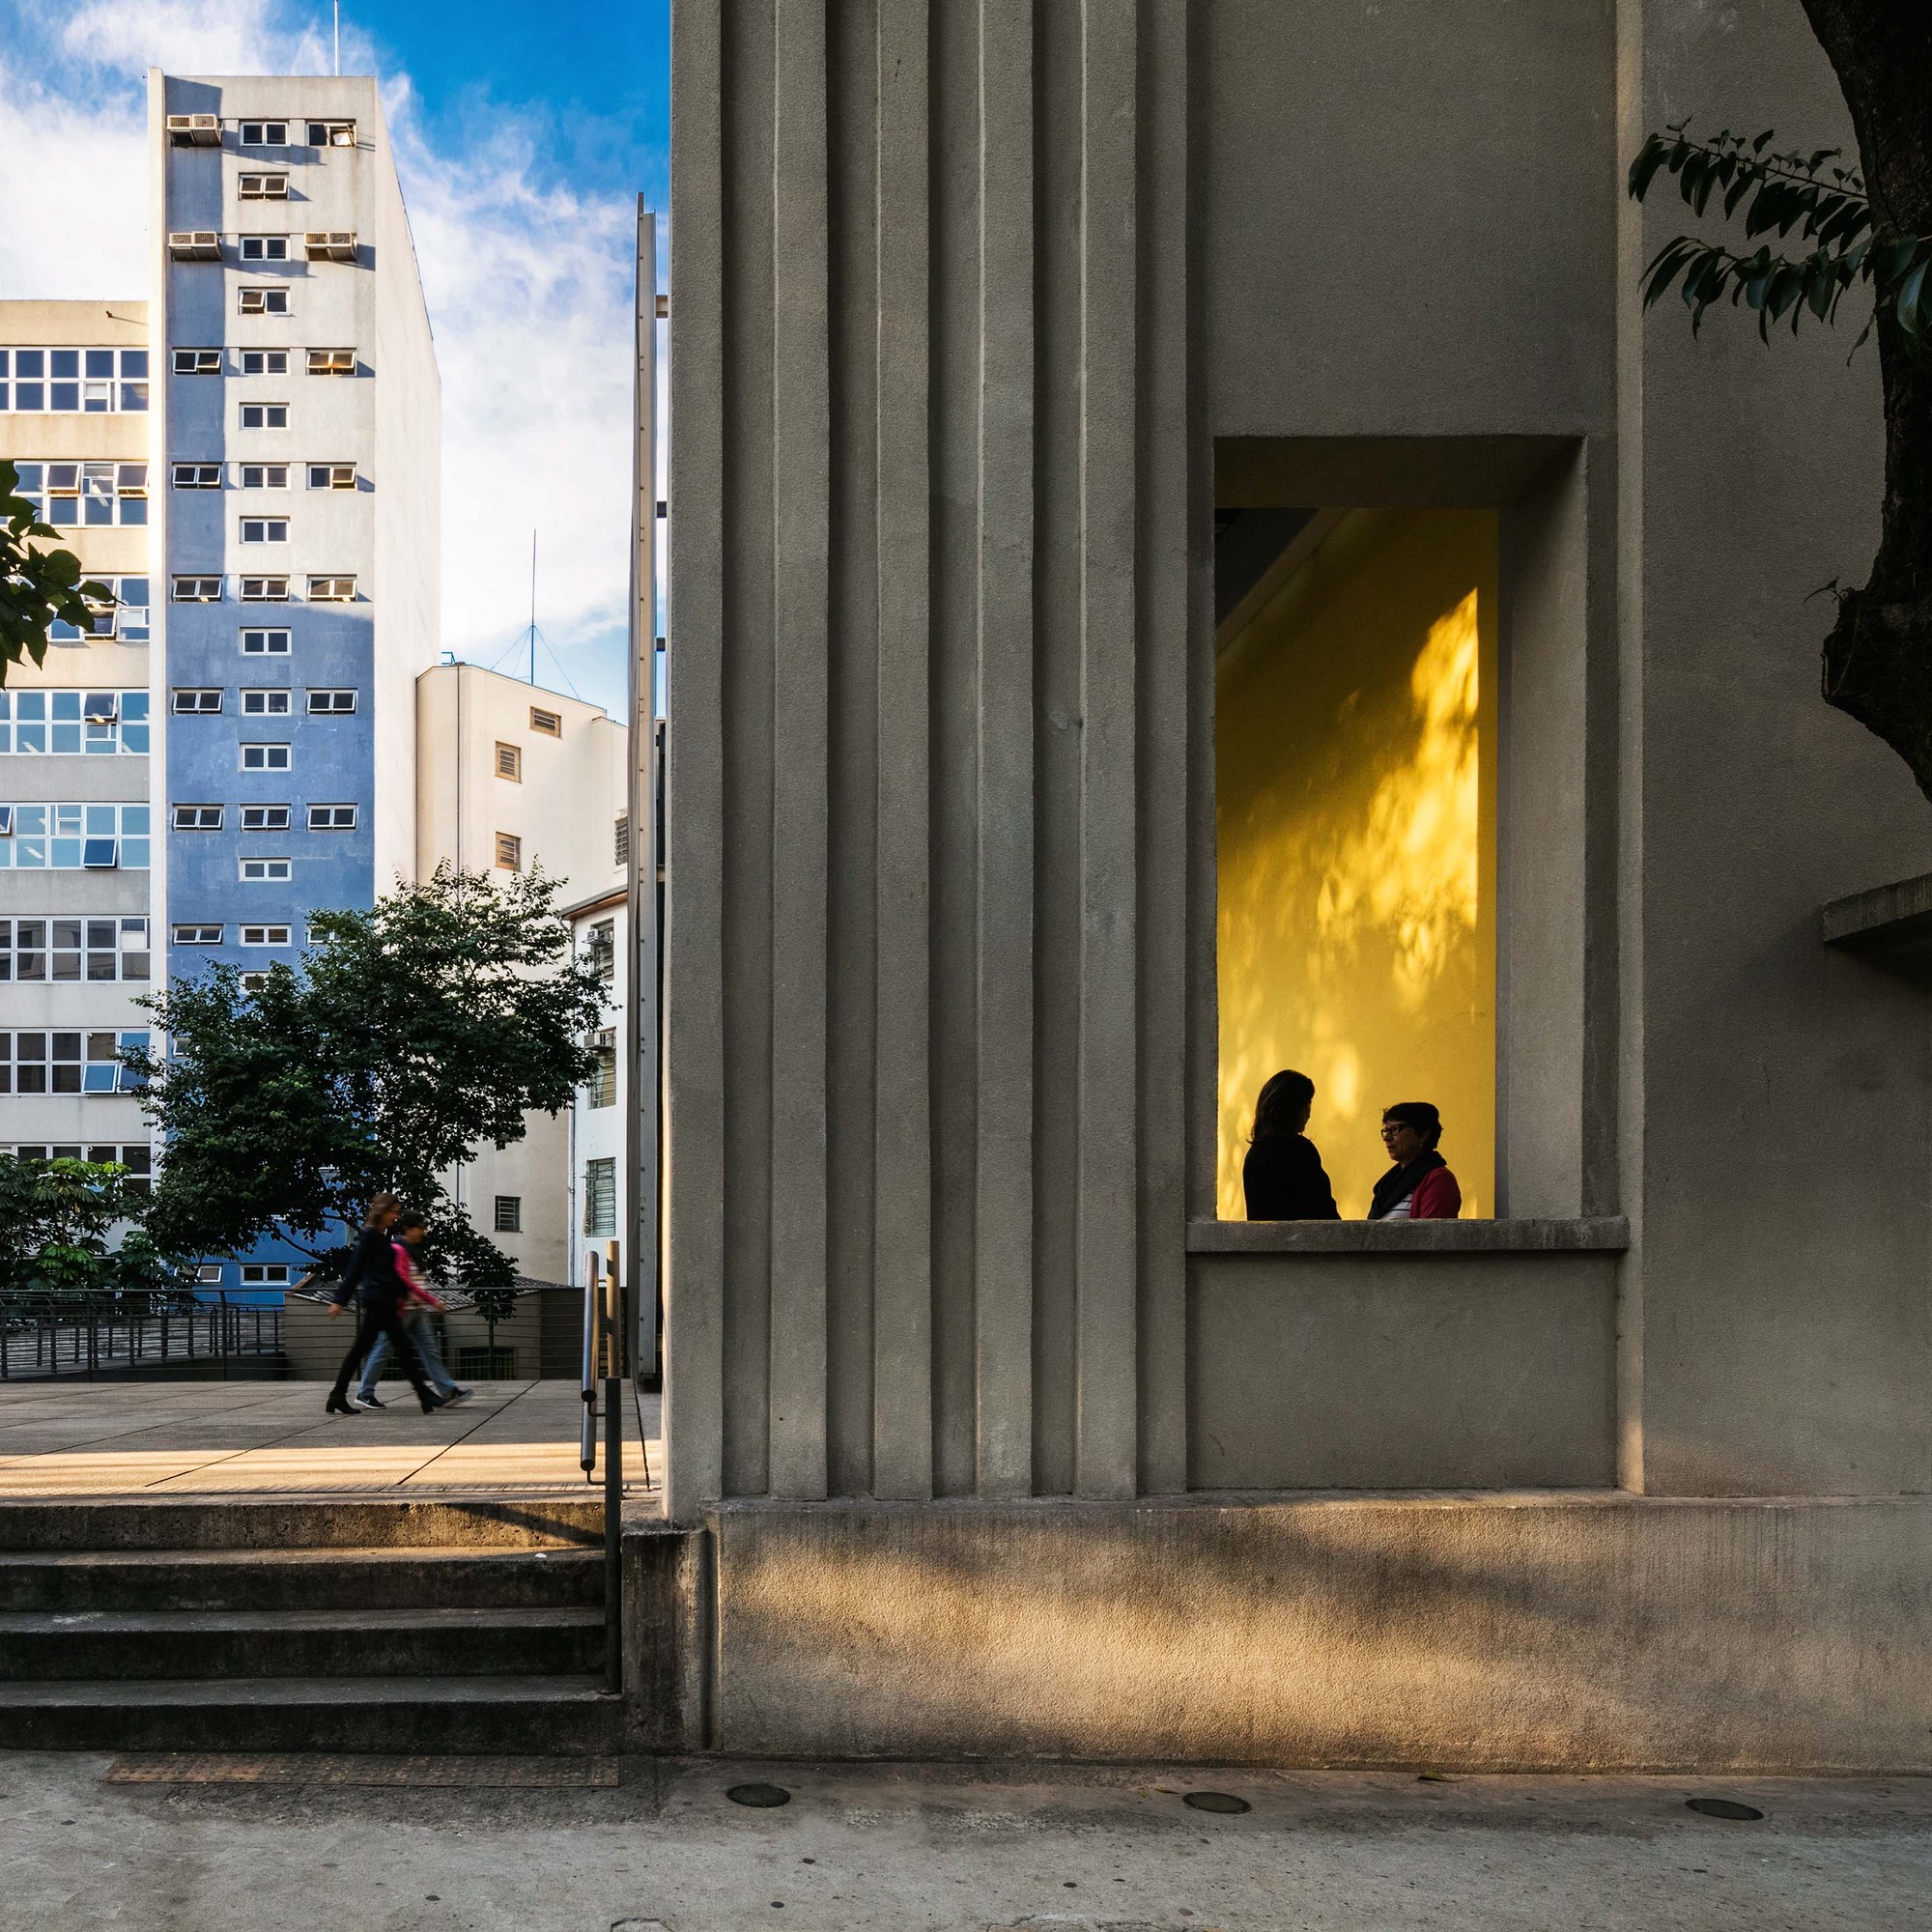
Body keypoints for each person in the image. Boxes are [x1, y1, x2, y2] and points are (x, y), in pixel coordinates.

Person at [324, 1193, 440, 1416]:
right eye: (394, 1212)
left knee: (366, 1350)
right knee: (401, 1349)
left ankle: (338, 1394)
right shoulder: (369, 1236)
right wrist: (340, 1300)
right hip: (378, 1301)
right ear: (383, 1211)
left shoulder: (379, 1235)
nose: (397, 1216)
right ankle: (423, 1394)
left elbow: (390, 1273)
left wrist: (408, 1293)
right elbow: (355, 1269)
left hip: (383, 1300)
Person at [353, 1211, 470, 1410]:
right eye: (420, 1228)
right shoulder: (398, 1249)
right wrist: (431, 1300)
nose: (423, 1232)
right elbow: (403, 1279)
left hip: (415, 1310)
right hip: (400, 1310)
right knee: (383, 1349)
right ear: (408, 1229)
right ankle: (364, 1393)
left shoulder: (412, 1250)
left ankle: (448, 1391)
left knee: (429, 1349)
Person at [1242, 1069, 1339, 1220]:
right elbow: (1320, 1209)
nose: (1309, 1113)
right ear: (1294, 1109)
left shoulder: (1255, 1153)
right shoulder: (1298, 1149)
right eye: (1307, 1104)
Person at [1369, 1102, 1462, 1220]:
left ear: (1423, 1135)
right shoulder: (1388, 1184)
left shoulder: (1438, 1179)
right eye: (1386, 1130)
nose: (1386, 1137)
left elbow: (1431, 1234)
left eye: (1395, 1129)